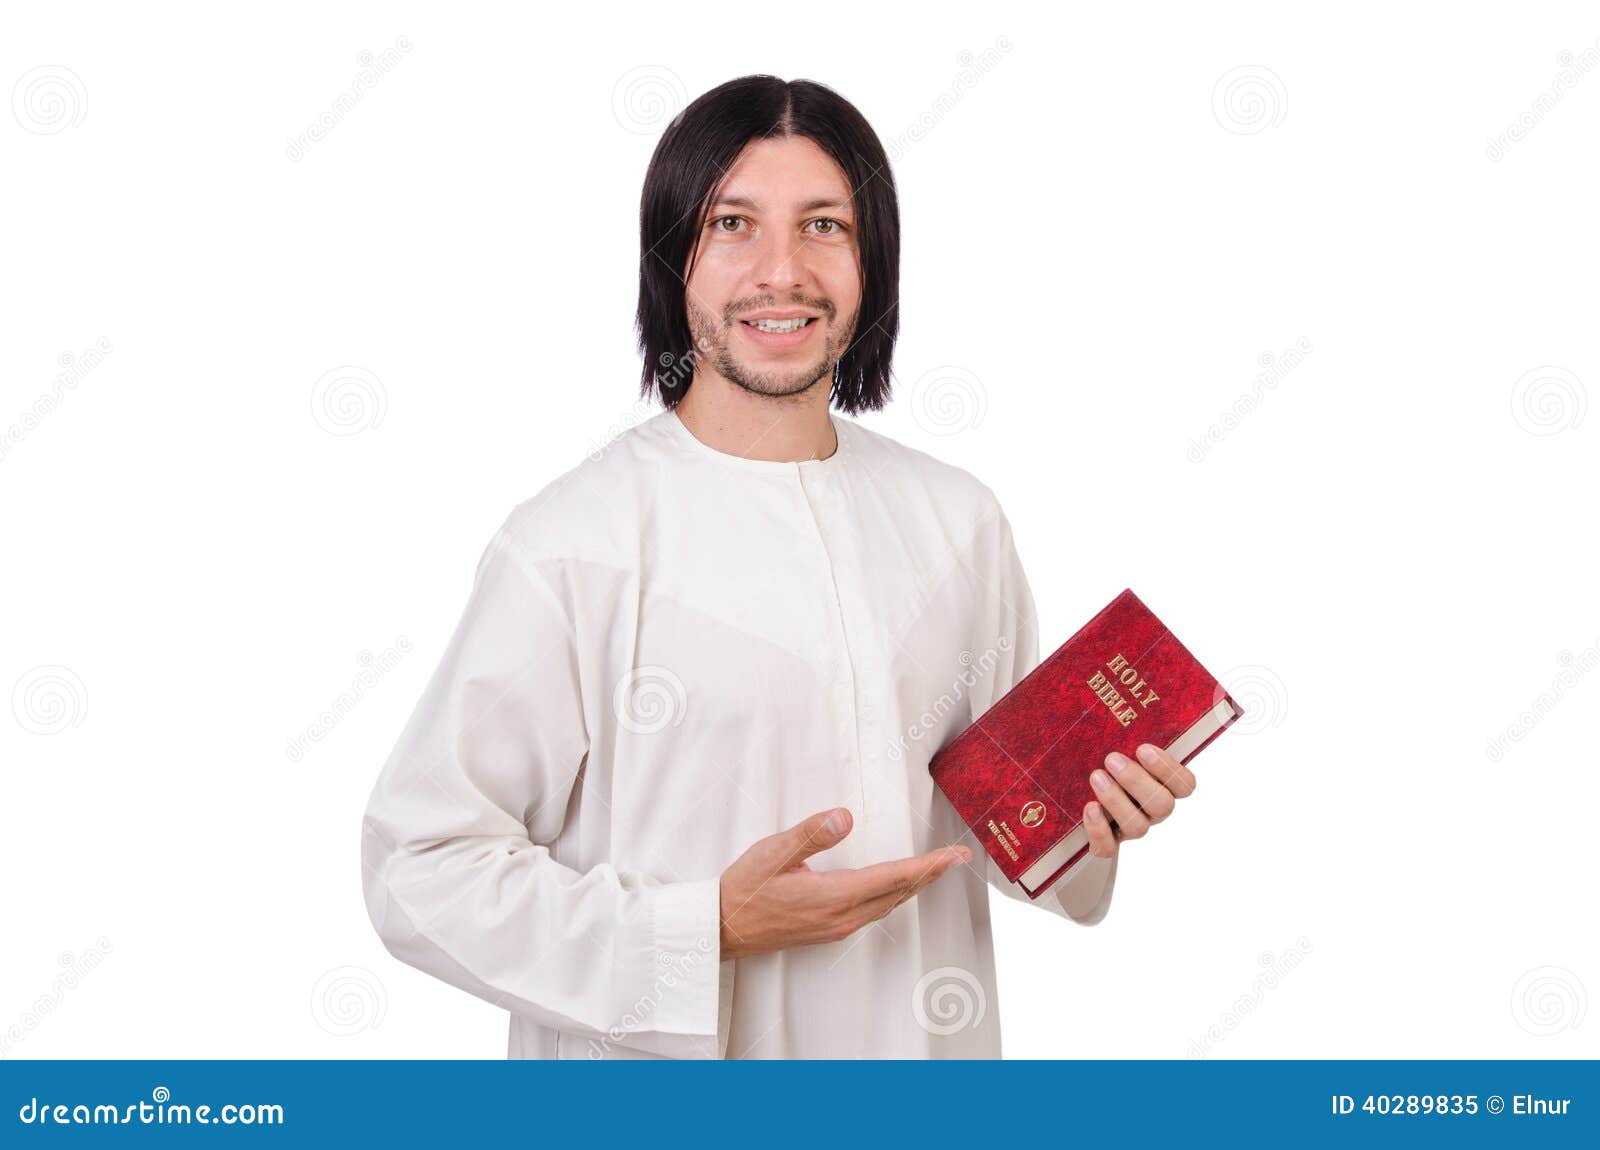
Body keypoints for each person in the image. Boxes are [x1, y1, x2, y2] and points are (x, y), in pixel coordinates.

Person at [360, 75, 1196, 1059]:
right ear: (674, 258)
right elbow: (419, 866)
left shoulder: (957, 521)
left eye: (824, 226)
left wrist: (1086, 823)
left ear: (871, 260)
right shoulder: (571, 544)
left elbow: (993, 828)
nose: (780, 270)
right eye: (731, 224)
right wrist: (704, 928)